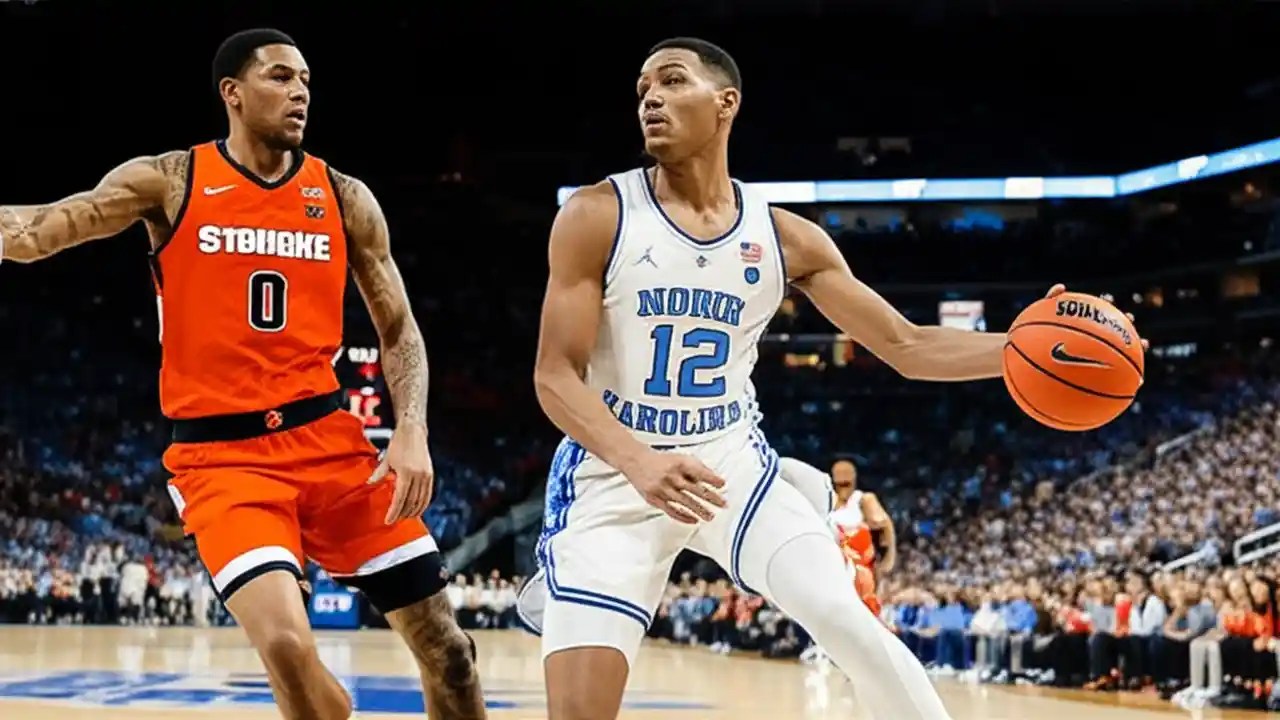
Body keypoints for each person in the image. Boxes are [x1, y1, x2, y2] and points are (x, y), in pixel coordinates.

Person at [529, 35, 1127, 720]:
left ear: (726, 103)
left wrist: (1026, 347)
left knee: (853, 628)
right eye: (642, 90)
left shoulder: (787, 239)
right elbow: (554, 376)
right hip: (614, 477)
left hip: (731, 467)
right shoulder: (597, 215)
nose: (650, 100)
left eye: (671, 81)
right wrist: (641, 462)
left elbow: (905, 344)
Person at [0, 28, 485, 720]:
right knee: (287, 648)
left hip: (330, 446)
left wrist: (412, 430)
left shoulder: (343, 196)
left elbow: (399, 329)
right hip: (223, 459)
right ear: (232, 92)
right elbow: (38, 229)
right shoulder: (171, 179)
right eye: (281, 77)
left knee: (452, 655)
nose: (300, 93)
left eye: (306, 81)